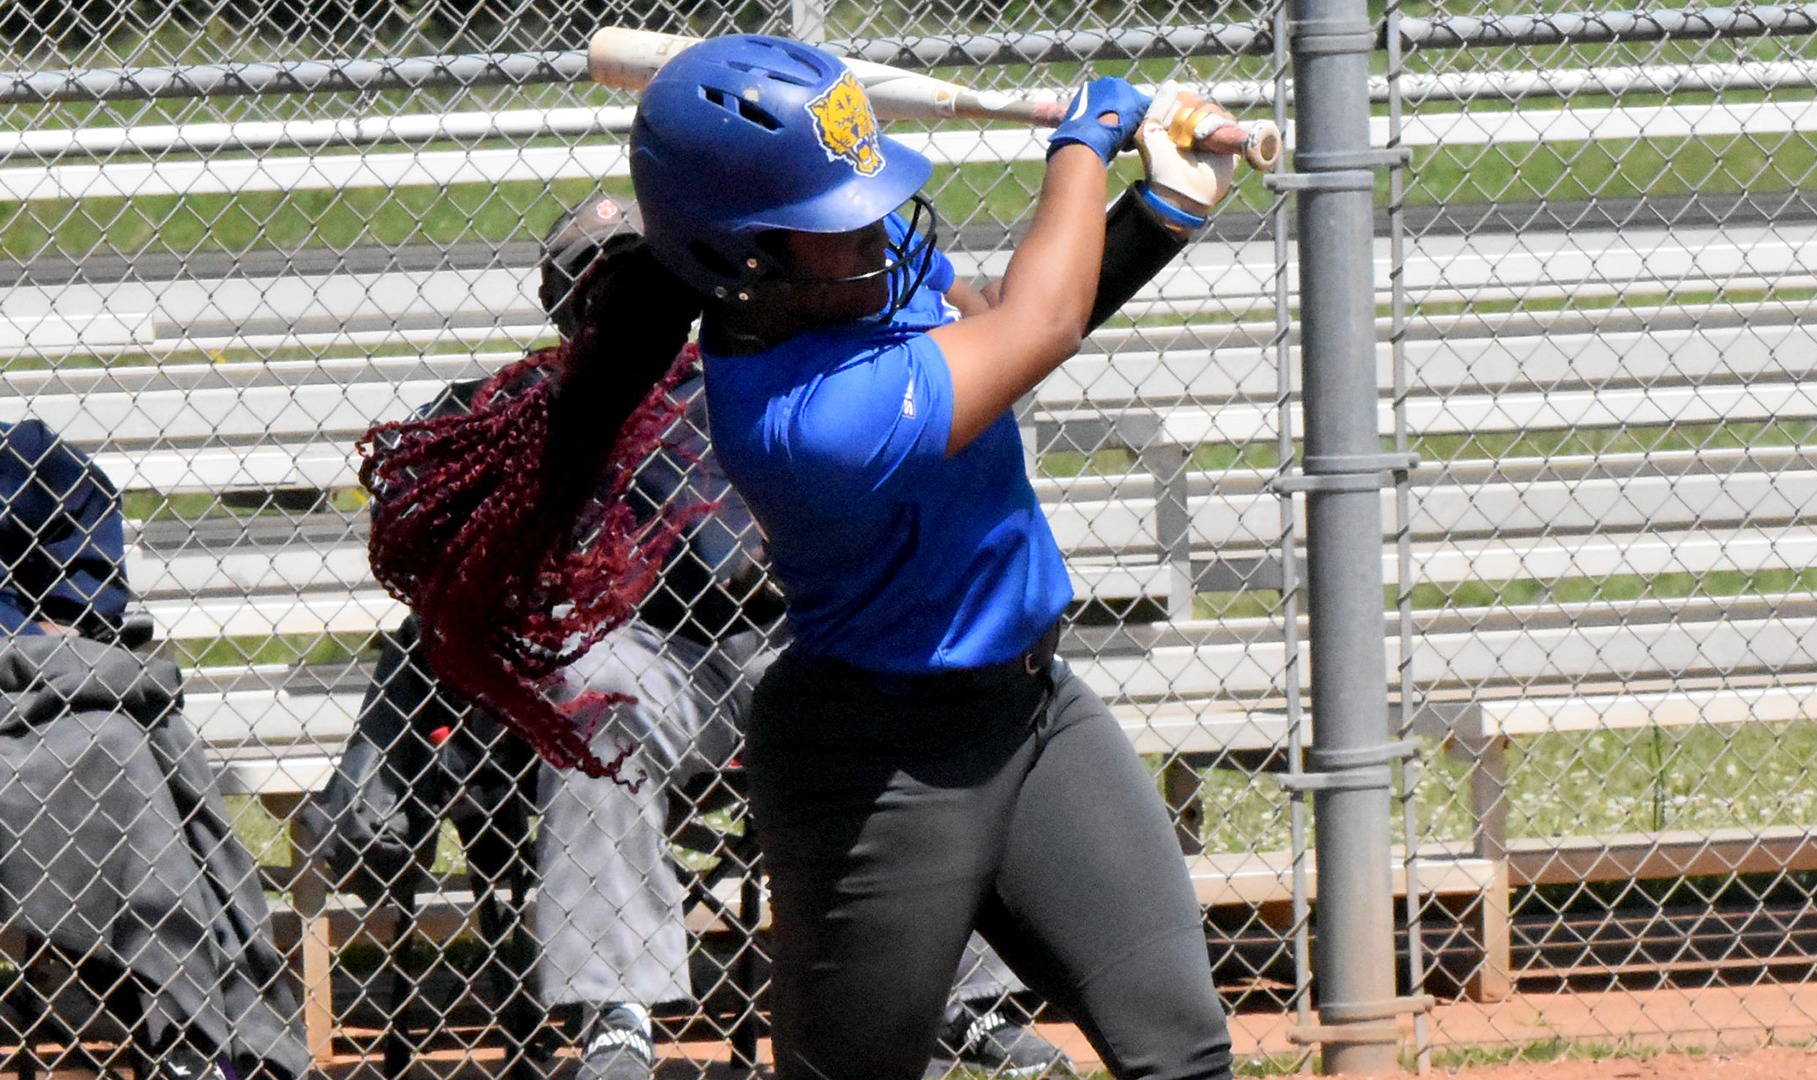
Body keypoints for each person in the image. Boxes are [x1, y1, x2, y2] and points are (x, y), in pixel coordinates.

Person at [342, 193, 1068, 1079]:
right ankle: (618, 1012)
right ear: (560, 299)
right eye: (593, 276)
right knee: (593, 689)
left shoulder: (743, 371)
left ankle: (962, 1001)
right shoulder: (521, 403)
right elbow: (433, 540)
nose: (617, 295)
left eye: (639, 275)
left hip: (790, 640)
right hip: (643, 657)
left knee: (894, 681)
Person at [0, 419, 308, 1080]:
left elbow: (80, 506)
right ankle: (196, 1028)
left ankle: (189, 1035)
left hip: (21, 701)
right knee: (115, 747)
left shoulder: (16, 453)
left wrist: (61, 627)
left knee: (124, 744)